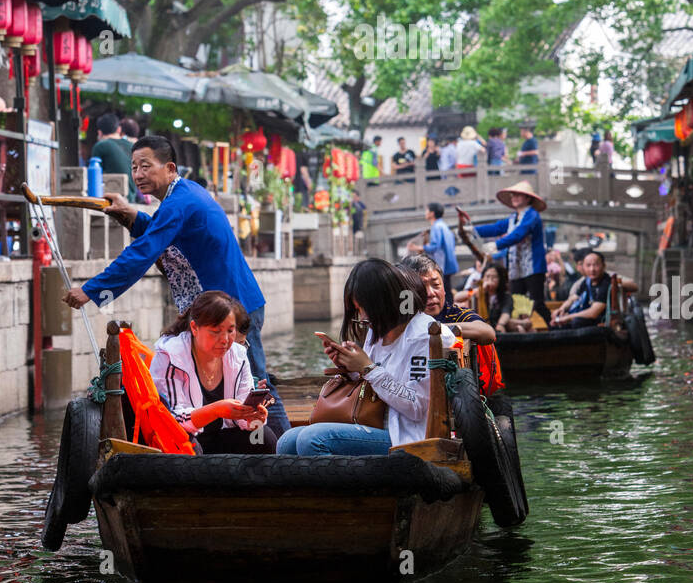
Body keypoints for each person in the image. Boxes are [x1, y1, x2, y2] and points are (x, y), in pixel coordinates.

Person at [61, 134, 289, 436]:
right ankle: (207, 441)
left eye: (146, 166)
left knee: (256, 385)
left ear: (170, 168)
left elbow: (143, 252)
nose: (139, 174)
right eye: (134, 167)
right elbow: (163, 232)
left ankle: (281, 448)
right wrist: (129, 214)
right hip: (220, 307)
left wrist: (90, 290)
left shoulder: (179, 202)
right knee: (216, 376)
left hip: (232, 310)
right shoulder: (182, 196)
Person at [276, 259, 455, 454]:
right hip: (373, 422)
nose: (361, 318)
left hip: (407, 435)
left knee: (312, 440)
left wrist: (368, 368)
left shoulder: (422, 336)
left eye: (363, 309)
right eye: (357, 310)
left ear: (384, 303)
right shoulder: (378, 330)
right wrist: (349, 367)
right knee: (287, 441)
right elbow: (371, 386)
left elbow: (417, 407)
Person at [150, 290, 276, 452]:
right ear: (194, 328)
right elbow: (173, 419)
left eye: (230, 331)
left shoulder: (238, 355)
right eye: (216, 332)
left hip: (222, 435)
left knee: (263, 437)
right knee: (192, 448)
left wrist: (253, 418)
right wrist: (216, 410)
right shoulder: (170, 356)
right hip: (183, 438)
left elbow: (243, 414)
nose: (224, 340)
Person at [399, 252, 503, 397]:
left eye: (436, 285)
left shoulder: (455, 313)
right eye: (421, 288)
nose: (431, 293)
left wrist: (432, 330)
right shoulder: (401, 319)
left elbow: (488, 333)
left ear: (443, 286)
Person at [470, 179, 550, 323]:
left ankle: (552, 328)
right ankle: (519, 331)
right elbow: (497, 228)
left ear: (527, 198)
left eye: (518, 195)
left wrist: (497, 245)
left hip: (533, 268)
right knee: (516, 302)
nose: (514, 198)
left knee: (536, 302)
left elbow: (518, 234)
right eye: (513, 195)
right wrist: (473, 231)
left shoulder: (532, 215)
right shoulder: (513, 218)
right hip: (516, 268)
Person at [407, 201, 458, 300]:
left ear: (432, 213)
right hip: (448, 264)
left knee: (445, 294)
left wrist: (416, 248)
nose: (425, 212)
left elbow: (435, 247)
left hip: (442, 266)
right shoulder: (443, 226)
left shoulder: (436, 227)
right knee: (447, 292)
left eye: (426, 210)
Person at [550, 250, 613, 329]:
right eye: (588, 265)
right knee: (555, 325)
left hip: (601, 322)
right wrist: (561, 309)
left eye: (596, 265)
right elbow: (573, 299)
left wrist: (569, 317)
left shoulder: (606, 283)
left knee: (576, 322)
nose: (592, 269)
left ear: (604, 266)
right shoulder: (587, 281)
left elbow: (593, 312)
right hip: (583, 317)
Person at [88, 112, 135, 198]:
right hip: (132, 196)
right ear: (119, 129)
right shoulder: (132, 146)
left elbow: (95, 177)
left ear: (99, 132)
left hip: (113, 197)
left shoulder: (100, 146)